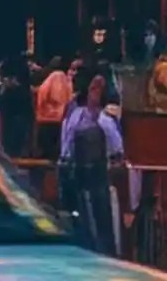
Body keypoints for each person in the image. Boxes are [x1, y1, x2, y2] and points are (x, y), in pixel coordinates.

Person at [60, 73, 124, 255]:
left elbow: (118, 150)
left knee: (102, 224)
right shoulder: (74, 116)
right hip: (74, 177)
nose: (96, 92)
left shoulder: (106, 120)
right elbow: (65, 147)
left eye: (100, 88)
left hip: (99, 178)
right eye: (94, 87)